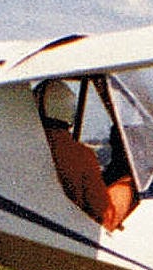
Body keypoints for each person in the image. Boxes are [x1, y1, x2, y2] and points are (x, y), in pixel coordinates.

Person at [37, 82, 134, 231]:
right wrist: (127, 182)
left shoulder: (26, 144)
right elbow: (105, 217)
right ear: (69, 110)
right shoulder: (79, 155)